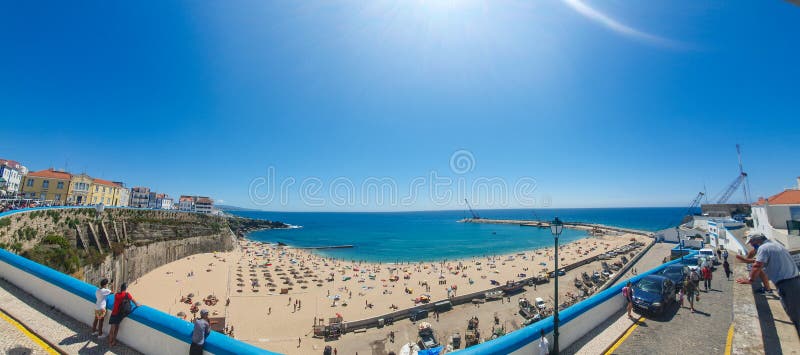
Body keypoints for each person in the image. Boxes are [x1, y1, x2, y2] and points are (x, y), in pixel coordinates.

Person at [736, 234, 800, 334]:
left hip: (787, 283)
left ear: (757, 241)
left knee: (795, 313)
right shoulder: (774, 244)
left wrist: (750, 280)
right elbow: (759, 260)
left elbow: (757, 265)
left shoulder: (764, 248)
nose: (752, 246)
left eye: (752, 243)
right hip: (793, 280)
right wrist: (747, 260)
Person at [108, 282, 138, 347]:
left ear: (121, 288)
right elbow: (133, 300)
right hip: (119, 314)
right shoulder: (127, 294)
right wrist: (138, 305)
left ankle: (110, 343)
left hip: (114, 313)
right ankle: (113, 341)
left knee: (111, 329)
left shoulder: (116, 295)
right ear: (125, 288)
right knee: (116, 328)